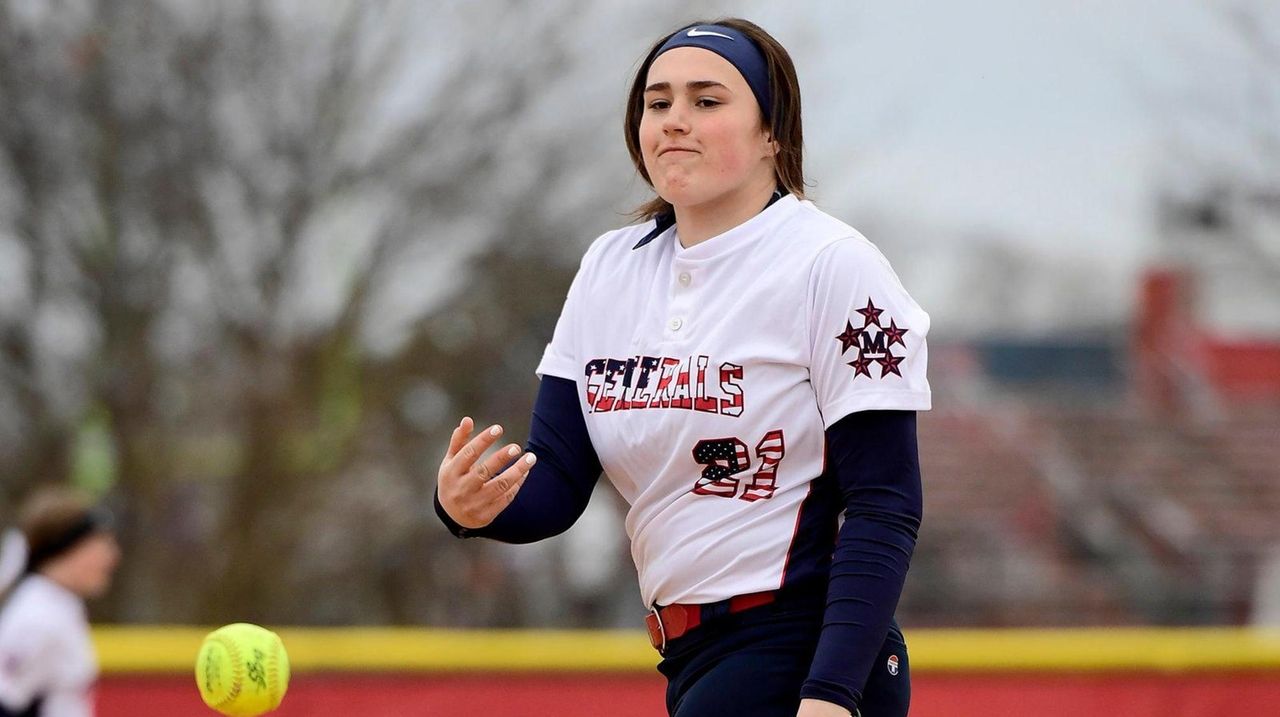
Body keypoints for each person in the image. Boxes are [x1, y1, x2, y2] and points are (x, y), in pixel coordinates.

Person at [435, 17, 928, 717]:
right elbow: (560, 477)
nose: (674, 120)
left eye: (707, 100)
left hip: (803, 648)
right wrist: (470, 506)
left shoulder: (831, 265)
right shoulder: (612, 265)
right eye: (657, 102)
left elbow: (885, 502)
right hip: (695, 658)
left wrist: (830, 694)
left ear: (773, 133)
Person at [0, 487, 121, 717]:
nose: (112, 556)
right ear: (69, 547)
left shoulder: (57, 605)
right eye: (102, 544)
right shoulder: (38, 616)